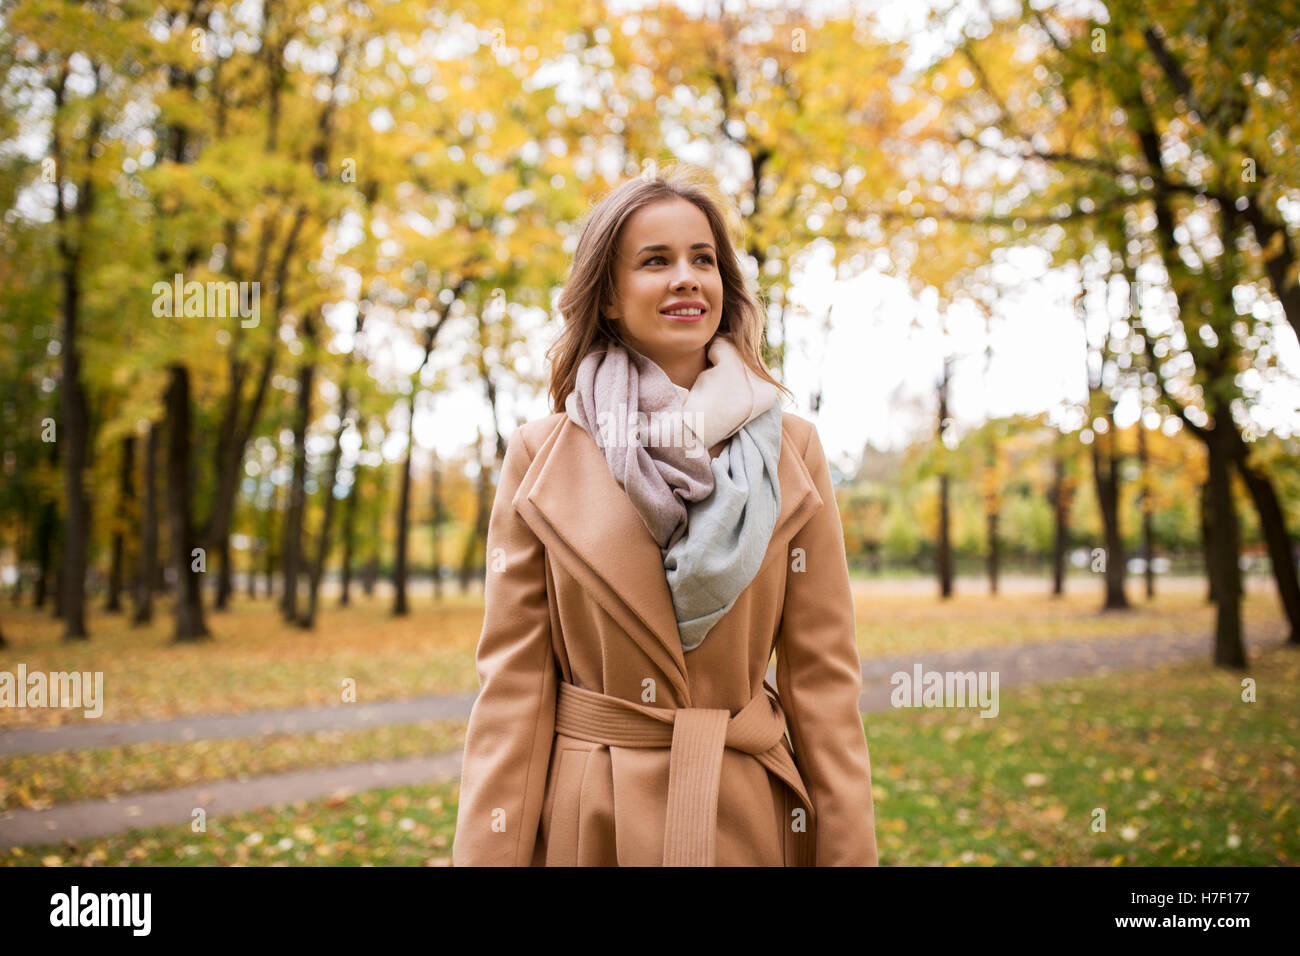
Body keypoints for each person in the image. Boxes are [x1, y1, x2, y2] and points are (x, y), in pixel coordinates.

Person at [450, 164, 878, 866]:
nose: (687, 278)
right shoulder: (542, 454)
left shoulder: (792, 451)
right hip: (594, 822)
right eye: (656, 261)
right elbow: (514, 693)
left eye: (702, 260)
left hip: (745, 816)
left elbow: (825, 688)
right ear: (610, 298)